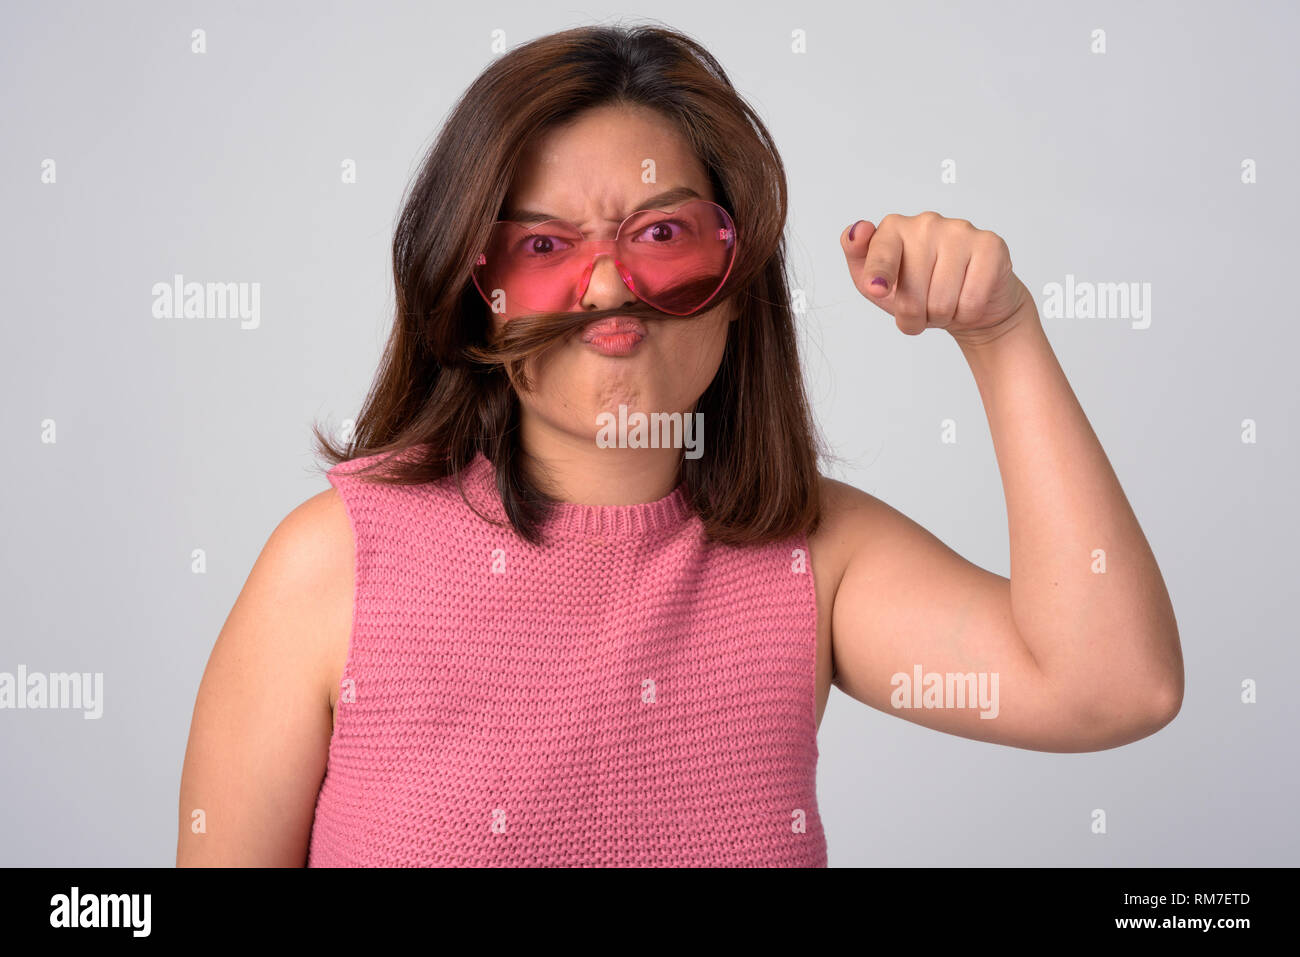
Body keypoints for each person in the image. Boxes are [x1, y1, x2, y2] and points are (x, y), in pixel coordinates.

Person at [176, 23, 1183, 867]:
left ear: (739, 284)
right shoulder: (335, 564)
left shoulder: (810, 553)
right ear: (474, 296)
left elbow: (1111, 687)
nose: (608, 289)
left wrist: (999, 335)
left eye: (662, 235)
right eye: (541, 247)